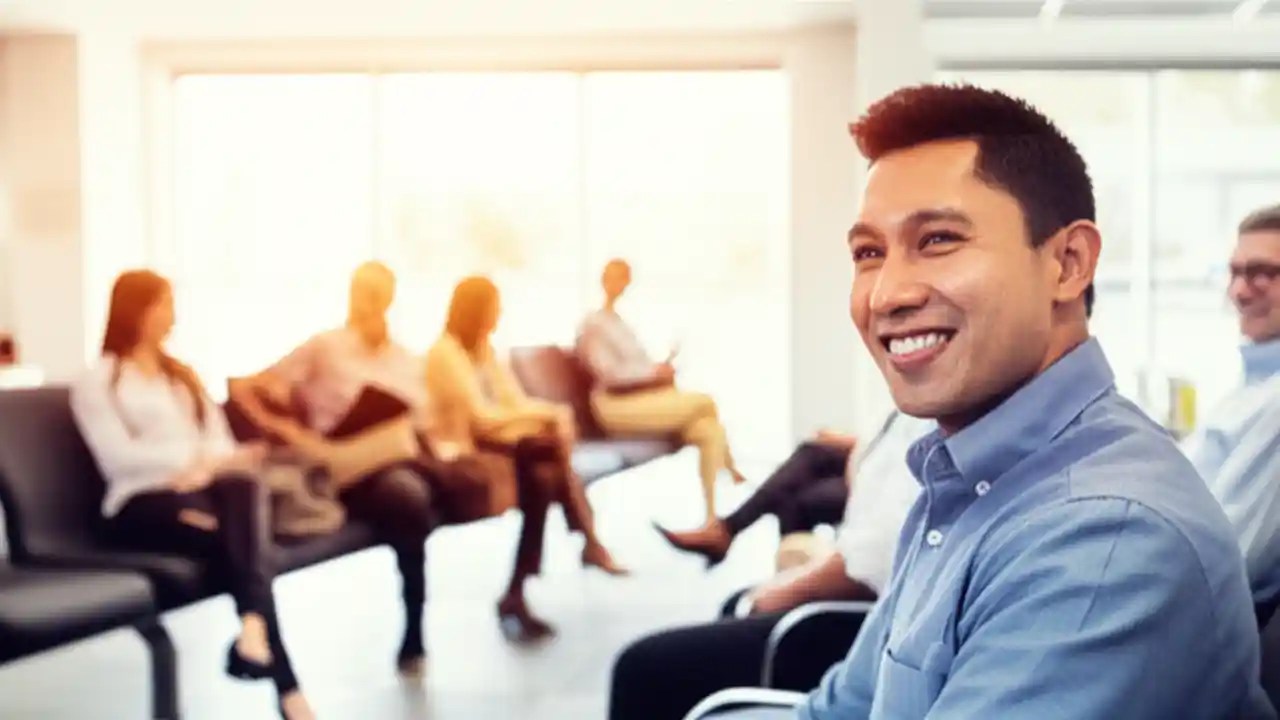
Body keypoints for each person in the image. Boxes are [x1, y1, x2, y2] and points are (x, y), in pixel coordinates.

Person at [772, 83, 1272, 719]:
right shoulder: (965, 481)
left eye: (938, 240)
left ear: (1067, 264)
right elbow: (839, 709)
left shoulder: (1105, 538)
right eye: (869, 253)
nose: (885, 295)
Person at [71, 270, 314, 720]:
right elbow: (118, 459)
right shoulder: (99, 381)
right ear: (137, 311)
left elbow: (218, 442)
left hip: (204, 495)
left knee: (242, 493)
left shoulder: (180, 376)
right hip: (141, 504)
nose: (172, 316)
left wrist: (209, 465)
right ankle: (284, 683)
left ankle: (256, 636)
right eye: (163, 305)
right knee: (245, 544)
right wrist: (189, 465)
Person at [608, 411, 930, 720]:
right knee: (810, 458)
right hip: (867, 605)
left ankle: (725, 532)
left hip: (861, 625)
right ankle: (724, 531)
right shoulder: (916, 406)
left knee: (641, 669)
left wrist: (781, 593)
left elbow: (873, 559)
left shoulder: (938, 415)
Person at [228, 261, 435, 677]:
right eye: (361, 291)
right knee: (408, 496)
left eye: (376, 294)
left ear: (390, 299)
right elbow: (243, 386)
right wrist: (285, 429)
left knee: (434, 479)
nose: (367, 302)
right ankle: (414, 627)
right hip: (346, 468)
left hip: (399, 454)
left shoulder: (405, 358)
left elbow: (425, 420)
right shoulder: (326, 347)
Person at [426, 275, 628, 641]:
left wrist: (549, 413)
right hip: (469, 451)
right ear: (477, 310)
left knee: (544, 470)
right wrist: (546, 417)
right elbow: (480, 419)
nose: (499, 313)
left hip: (508, 444)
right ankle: (584, 538)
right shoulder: (444, 354)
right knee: (546, 461)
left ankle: (521, 587)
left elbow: (513, 402)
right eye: (494, 306)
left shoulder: (485, 350)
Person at [577, 259, 746, 524]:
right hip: (615, 406)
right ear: (603, 279)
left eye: (624, 278)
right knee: (705, 402)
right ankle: (731, 468)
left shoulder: (620, 322)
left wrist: (659, 370)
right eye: (615, 277)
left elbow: (637, 368)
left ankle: (712, 520)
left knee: (709, 430)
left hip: (642, 399)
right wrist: (653, 374)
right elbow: (608, 375)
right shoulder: (593, 323)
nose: (620, 283)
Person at [1183, 204, 1280, 626]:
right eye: (1235, 272)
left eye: (1263, 273)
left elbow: (1229, 562)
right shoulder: (1252, 386)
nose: (1240, 292)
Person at [654, 427, 860, 568]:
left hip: (877, 482)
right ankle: (726, 532)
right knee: (812, 451)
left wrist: (853, 444)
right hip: (868, 459)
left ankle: (726, 532)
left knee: (794, 502)